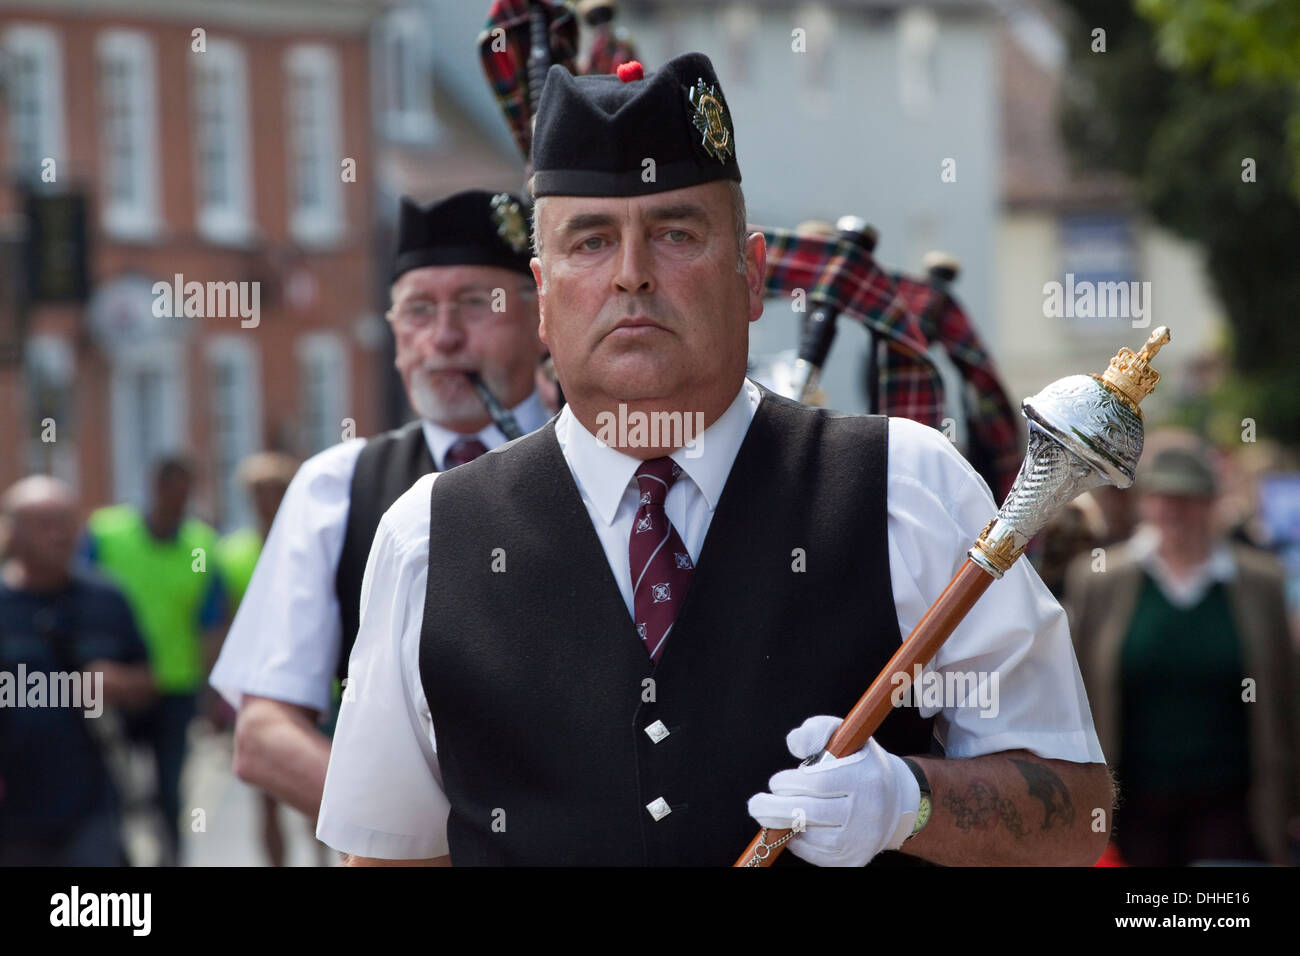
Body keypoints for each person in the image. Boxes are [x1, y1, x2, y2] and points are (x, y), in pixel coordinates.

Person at [317, 53, 1111, 867]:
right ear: (542, 300)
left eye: (675, 233)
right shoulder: (427, 538)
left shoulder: (904, 487)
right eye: (590, 242)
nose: (631, 275)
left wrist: (912, 802)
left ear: (753, 274)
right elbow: (389, 856)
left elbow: (1074, 817)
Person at [209, 190, 549, 832]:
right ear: (395, 335)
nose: (444, 337)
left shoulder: (608, 465)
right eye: (418, 310)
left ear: (542, 319)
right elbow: (263, 735)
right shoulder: (337, 485)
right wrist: (425, 846)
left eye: (477, 303)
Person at [1065, 434, 1299, 865]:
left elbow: (1286, 694)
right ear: (1144, 502)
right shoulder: (1099, 580)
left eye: (1188, 497)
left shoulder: (1259, 582)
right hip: (1130, 806)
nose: (1173, 509)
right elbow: (1075, 691)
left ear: (1211, 503)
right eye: (1161, 496)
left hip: (1232, 804)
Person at [0, 476, 155, 865]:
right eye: (45, 524)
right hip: (12, 809)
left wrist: (119, 684)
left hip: (91, 803)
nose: (60, 535)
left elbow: (150, 684)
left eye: (68, 521)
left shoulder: (108, 598)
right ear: (13, 533)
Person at [86, 456, 223, 865]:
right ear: (155, 488)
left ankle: (170, 859)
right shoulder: (108, 534)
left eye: (186, 494)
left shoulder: (201, 544)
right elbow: (77, 594)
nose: (179, 502)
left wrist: (211, 690)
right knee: (110, 785)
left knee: (168, 789)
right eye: (172, 492)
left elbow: (210, 621)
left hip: (173, 685)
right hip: (116, 687)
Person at [213, 451, 315, 866]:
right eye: (257, 493)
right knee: (266, 796)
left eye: (274, 491)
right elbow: (220, 623)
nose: (266, 501)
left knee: (321, 793)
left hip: (314, 684)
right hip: (256, 686)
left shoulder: (312, 544)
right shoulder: (232, 553)